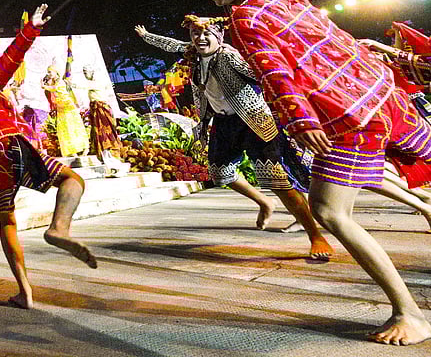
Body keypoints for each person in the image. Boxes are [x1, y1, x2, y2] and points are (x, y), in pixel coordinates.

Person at [195, 0, 431, 346]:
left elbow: (274, 70)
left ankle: (410, 313)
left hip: (345, 117)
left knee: (329, 210)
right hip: (378, 95)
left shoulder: (245, 18)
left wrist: (300, 120)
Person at [0, 5, 97, 310]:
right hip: (6, 144)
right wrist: (32, 28)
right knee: (72, 179)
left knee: (7, 223)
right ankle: (59, 229)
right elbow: (12, 58)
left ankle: (24, 292)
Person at [135, 19, 330, 259]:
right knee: (220, 173)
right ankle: (263, 202)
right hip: (223, 122)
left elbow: (259, 72)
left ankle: (315, 235)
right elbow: (172, 44)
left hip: (254, 120)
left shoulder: (228, 56)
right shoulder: (193, 55)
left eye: (207, 33)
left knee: (278, 180)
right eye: (196, 33)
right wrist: (146, 36)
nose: (200, 38)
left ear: (219, 37)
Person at [44, 63, 89, 157]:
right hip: (61, 109)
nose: (49, 74)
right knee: (66, 129)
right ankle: (72, 151)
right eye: (48, 72)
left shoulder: (60, 81)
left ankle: (85, 148)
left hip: (68, 107)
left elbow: (55, 89)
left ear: (56, 72)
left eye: (50, 72)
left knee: (74, 127)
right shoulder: (54, 82)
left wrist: (45, 86)